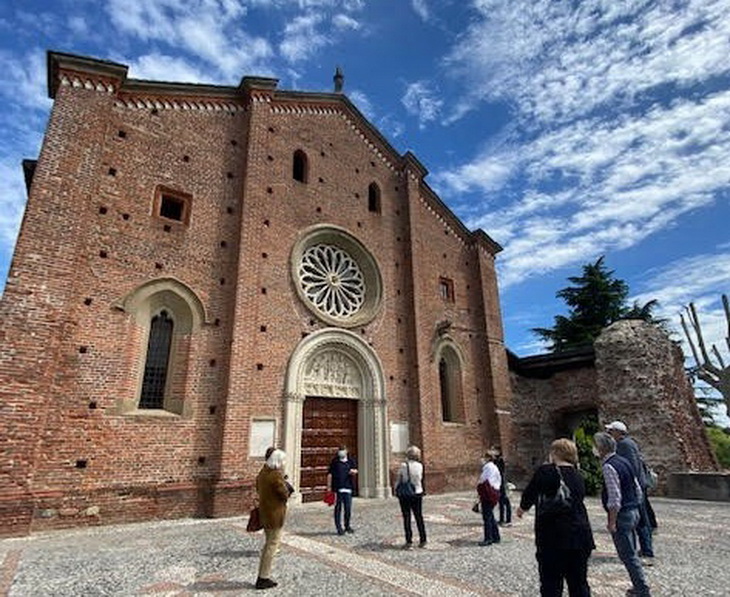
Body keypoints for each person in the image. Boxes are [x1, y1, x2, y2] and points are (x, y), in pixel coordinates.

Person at [516, 439, 595, 597]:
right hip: (580, 535)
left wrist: (521, 509)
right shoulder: (578, 475)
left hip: (552, 536)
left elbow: (529, 494)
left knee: (551, 583)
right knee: (579, 583)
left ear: (556, 453)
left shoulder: (546, 471)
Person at [594, 432, 651, 597]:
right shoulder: (624, 461)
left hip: (623, 514)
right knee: (631, 553)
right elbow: (637, 488)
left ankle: (642, 589)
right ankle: (638, 586)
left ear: (601, 448)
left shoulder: (608, 466)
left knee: (628, 556)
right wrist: (635, 506)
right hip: (633, 510)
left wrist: (612, 521)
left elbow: (614, 498)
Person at [605, 421, 655, 563]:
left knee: (641, 520)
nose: (609, 434)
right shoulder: (628, 443)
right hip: (636, 486)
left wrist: (630, 487)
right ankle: (643, 549)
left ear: (619, 432)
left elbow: (630, 468)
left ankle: (647, 551)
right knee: (640, 519)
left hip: (634, 487)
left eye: (611, 431)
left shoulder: (624, 445)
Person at [255, 449, 290, 591]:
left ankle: (262, 575)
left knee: (268, 544)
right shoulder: (275, 476)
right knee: (272, 545)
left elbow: (258, 488)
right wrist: (285, 485)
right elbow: (284, 494)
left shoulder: (263, 472)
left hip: (265, 512)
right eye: (282, 461)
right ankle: (263, 578)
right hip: (274, 515)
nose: (283, 464)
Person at [395, 445, 427, 548]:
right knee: (419, 516)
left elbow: (400, 479)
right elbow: (420, 478)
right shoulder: (420, 466)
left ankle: (409, 542)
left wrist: (396, 489)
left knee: (407, 517)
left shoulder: (404, 466)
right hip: (418, 493)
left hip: (406, 494)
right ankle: (423, 539)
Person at [327, 446, 358, 535]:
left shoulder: (350, 461)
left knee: (348, 509)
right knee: (338, 508)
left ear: (346, 451)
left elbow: (355, 470)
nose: (341, 452)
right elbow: (330, 474)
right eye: (340, 451)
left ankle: (347, 526)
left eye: (342, 450)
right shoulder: (335, 461)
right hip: (337, 489)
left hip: (348, 488)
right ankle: (339, 528)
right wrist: (329, 487)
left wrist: (354, 472)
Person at [477, 449, 501, 546]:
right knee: (490, 516)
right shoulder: (494, 467)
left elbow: (483, 480)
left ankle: (488, 538)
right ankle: (496, 536)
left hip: (488, 494)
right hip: (494, 492)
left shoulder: (488, 467)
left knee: (487, 517)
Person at [493, 446, 512, 526]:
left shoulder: (500, 461)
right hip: (499, 483)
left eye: (494, 450)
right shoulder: (496, 460)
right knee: (501, 502)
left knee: (505, 502)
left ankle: (508, 520)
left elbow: (501, 472)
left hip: (502, 484)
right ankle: (502, 519)